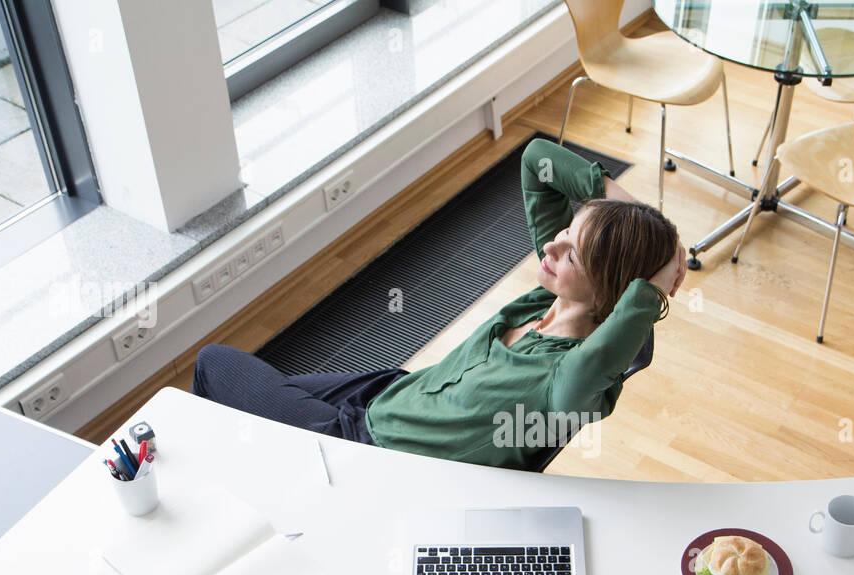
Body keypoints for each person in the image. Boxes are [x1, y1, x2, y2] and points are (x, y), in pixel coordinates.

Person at [192, 137, 686, 469]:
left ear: (611, 294)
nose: (551, 248)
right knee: (243, 415)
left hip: (368, 451)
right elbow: (537, 160)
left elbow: (605, 351)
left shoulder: (569, 386)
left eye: (572, 253)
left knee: (215, 364)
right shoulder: (549, 294)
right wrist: (631, 211)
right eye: (564, 232)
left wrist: (656, 282)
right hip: (390, 393)